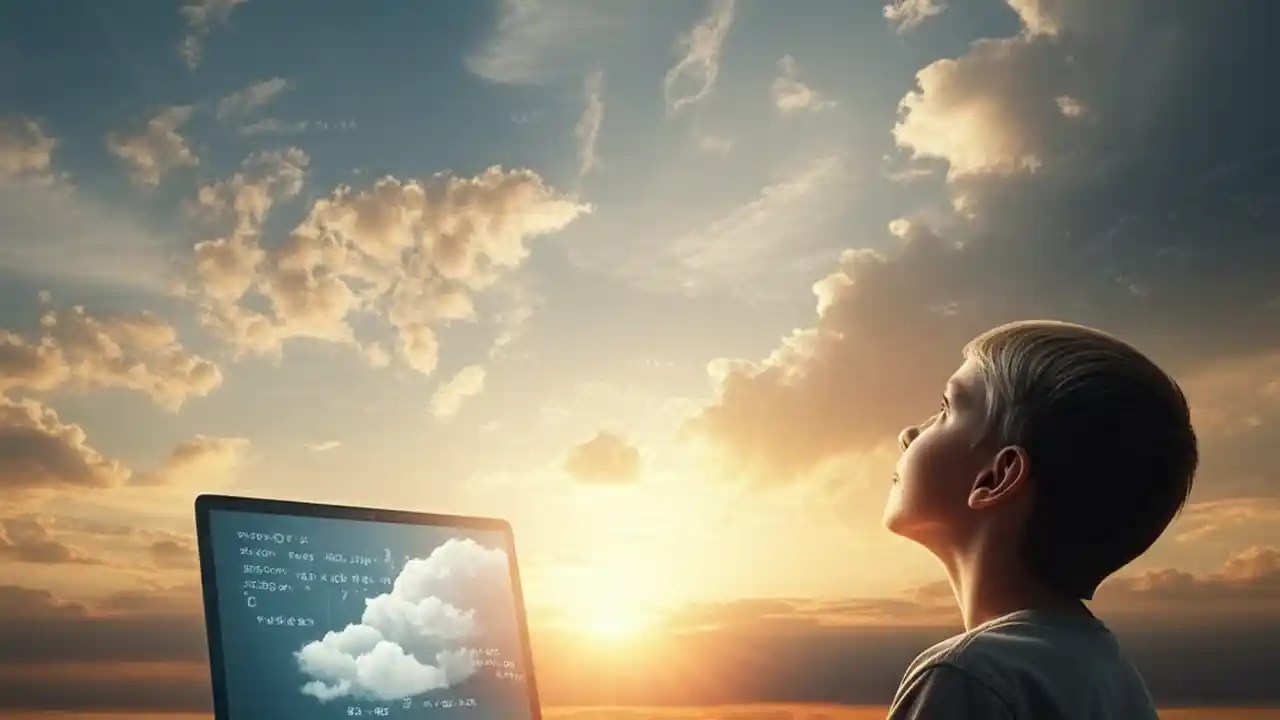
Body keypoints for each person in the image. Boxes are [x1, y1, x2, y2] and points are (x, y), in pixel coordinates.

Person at [883, 320, 1198, 719]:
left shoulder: (969, 676)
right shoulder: (1107, 673)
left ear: (997, 478)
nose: (908, 433)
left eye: (946, 408)